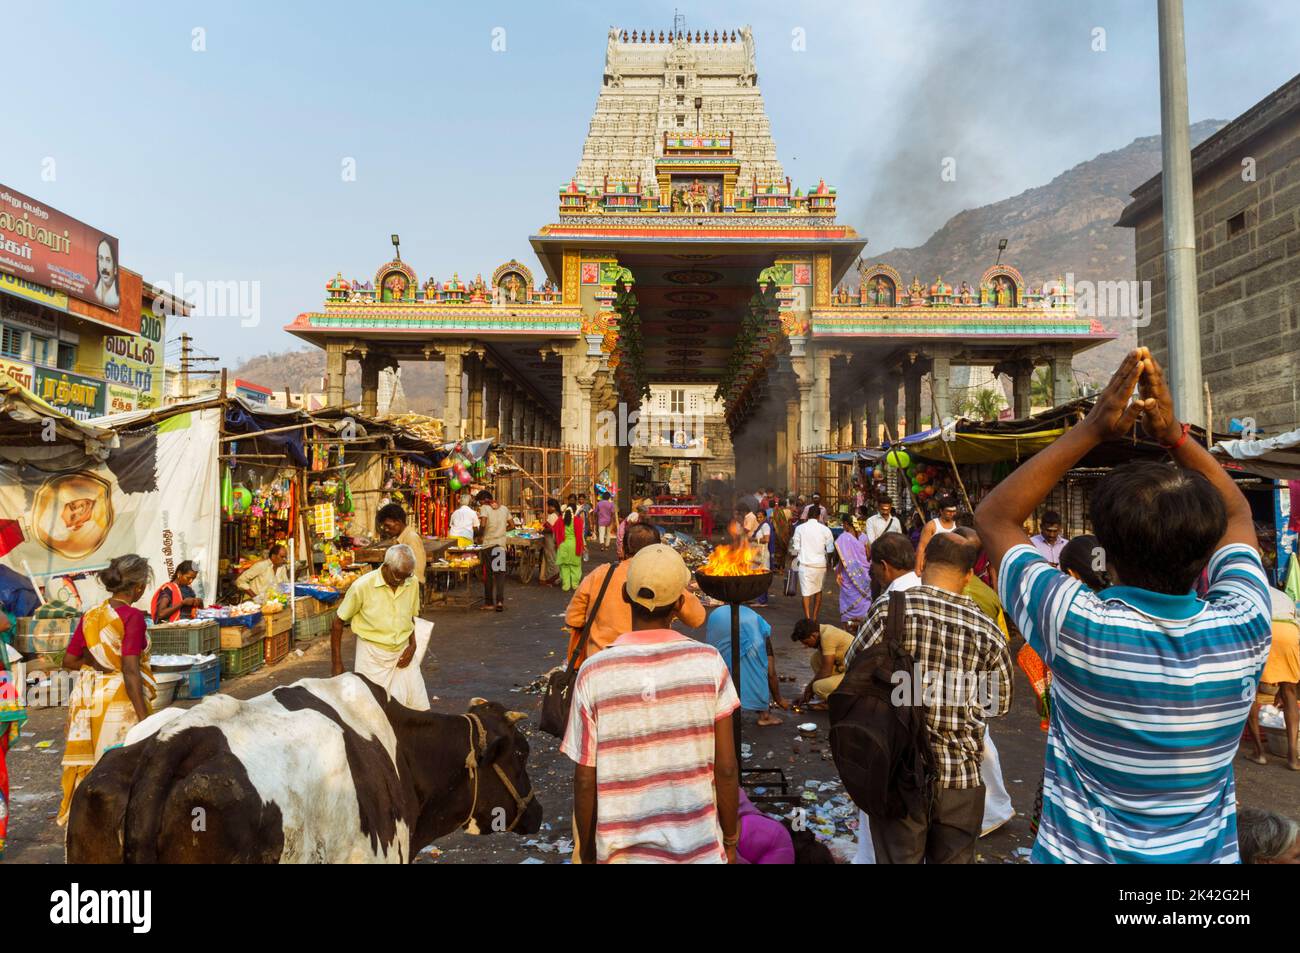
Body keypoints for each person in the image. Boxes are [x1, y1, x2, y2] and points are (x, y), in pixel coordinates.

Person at [975, 347, 1273, 863]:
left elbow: (996, 518)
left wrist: (1093, 429)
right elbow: (1239, 512)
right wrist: (1177, 436)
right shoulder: (1246, 622)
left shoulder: (1075, 623)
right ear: (1210, 555)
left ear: (1104, 554)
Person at [561, 544, 740, 863]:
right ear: (680, 604)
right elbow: (726, 769)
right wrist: (730, 839)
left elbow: (585, 779)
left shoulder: (594, 672)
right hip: (699, 850)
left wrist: (587, 853)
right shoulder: (709, 663)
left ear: (627, 597)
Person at [845, 533, 1013, 864]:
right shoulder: (988, 632)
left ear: (922, 565)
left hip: (897, 773)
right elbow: (998, 704)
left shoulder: (889, 612)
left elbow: (853, 669)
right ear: (968, 577)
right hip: (960, 779)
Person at [58, 554, 156, 825]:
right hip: (120, 701)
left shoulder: (91, 615)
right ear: (138, 588)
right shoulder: (133, 616)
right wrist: (145, 720)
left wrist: (99, 664)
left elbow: (69, 662)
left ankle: (90, 825)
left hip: (92, 697)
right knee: (122, 771)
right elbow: (130, 670)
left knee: (95, 768)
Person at [564, 522, 707, 667]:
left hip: (601, 662)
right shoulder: (666, 578)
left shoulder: (600, 574)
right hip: (651, 665)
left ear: (624, 548)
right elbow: (697, 618)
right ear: (658, 549)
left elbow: (573, 619)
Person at [330, 544, 428, 710]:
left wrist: (413, 645)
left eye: (407, 576)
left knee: (418, 707)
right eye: (399, 577)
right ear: (387, 567)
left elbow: (411, 617)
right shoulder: (362, 586)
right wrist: (337, 662)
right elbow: (338, 623)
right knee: (374, 712)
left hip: (403, 652)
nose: (403, 581)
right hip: (372, 657)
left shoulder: (411, 583)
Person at [704, 602, 787, 726]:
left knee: (721, 665)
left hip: (717, 618)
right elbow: (771, 672)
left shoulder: (750, 620)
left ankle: (715, 709)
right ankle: (764, 716)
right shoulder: (760, 634)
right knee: (757, 668)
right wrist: (779, 699)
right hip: (740, 623)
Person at [1244, 589, 1299, 769]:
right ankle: (1292, 757)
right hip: (1289, 632)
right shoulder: (1283, 596)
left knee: (1250, 693)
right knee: (1289, 692)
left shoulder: (1249, 589)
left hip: (1263, 630)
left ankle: (1259, 753)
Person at [790, 617, 854, 706]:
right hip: (846, 668)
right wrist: (807, 693)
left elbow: (826, 670)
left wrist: (809, 688)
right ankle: (829, 695)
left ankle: (840, 702)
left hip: (856, 674)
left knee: (817, 687)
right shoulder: (821, 631)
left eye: (807, 643)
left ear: (813, 635)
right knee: (815, 659)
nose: (807, 646)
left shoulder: (828, 636)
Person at [789, 504, 834, 620]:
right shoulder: (825, 530)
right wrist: (828, 563)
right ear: (819, 516)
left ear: (808, 515)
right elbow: (830, 549)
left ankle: (808, 617)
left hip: (805, 565)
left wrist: (793, 561)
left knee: (806, 592)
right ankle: (814, 617)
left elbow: (795, 548)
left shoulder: (800, 528)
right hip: (820, 565)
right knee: (818, 591)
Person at [378, 502, 427, 597]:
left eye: (388, 525)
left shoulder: (411, 538)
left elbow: (417, 571)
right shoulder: (399, 539)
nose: (386, 530)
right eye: (384, 527)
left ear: (398, 522)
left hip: (408, 590)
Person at [478, 493, 513, 612]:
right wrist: (502, 531)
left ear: (484, 500)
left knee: (488, 575)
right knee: (500, 575)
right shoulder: (504, 508)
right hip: (501, 545)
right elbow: (512, 525)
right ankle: (499, 601)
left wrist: (479, 535)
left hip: (488, 545)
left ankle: (489, 602)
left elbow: (483, 524)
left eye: (480, 501)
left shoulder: (485, 508)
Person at [834, 516, 872, 626]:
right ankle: (863, 624)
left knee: (848, 599)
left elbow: (842, 558)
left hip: (848, 574)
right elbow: (869, 556)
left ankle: (847, 625)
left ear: (846, 524)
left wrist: (838, 572)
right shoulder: (864, 537)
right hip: (864, 574)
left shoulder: (843, 538)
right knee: (864, 600)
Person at [915, 494, 959, 573]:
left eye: (954, 511)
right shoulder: (932, 526)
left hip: (953, 566)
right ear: (941, 511)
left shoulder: (958, 525)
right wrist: (918, 568)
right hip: (933, 566)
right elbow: (922, 547)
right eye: (948, 511)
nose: (952, 514)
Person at [869, 532, 920, 598]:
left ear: (884, 566)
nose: (874, 573)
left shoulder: (885, 603)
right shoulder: (931, 589)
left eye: (874, 568)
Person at [556, 505, 585, 592]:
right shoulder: (577, 520)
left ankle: (566, 586)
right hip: (574, 545)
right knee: (575, 567)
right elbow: (580, 536)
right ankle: (575, 585)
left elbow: (555, 530)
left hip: (563, 545)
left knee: (564, 567)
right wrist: (583, 547)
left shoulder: (560, 520)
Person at [540, 498, 562, 586]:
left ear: (553, 507)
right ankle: (555, 577)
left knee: (550, 559)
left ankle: (551, 579)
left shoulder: (553, 516)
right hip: (555, 539)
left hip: (550, 539)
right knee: (553, 557)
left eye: (548, 507)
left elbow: (550, 529)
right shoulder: (558, 514)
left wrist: (541, 531)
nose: (547, 509)